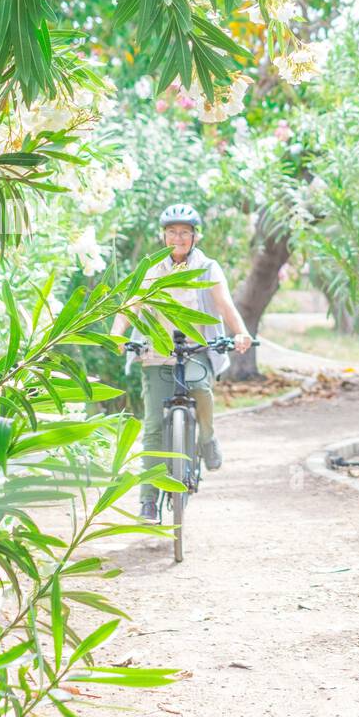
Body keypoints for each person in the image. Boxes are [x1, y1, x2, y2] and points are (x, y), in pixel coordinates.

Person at [111, 203, 253, 522]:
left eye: (184, 233)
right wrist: (116, 334)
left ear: (194, 237)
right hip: (156, 354)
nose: (178, 238)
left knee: (201, 391)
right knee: (151, 429)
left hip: (194, 351)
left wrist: (241, 332)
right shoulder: (151, 269)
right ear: (163, 236)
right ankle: (147, 500)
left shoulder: (207, 267)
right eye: (172, 232)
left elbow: (224, 303)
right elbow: (130, 305)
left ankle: (206, 437)